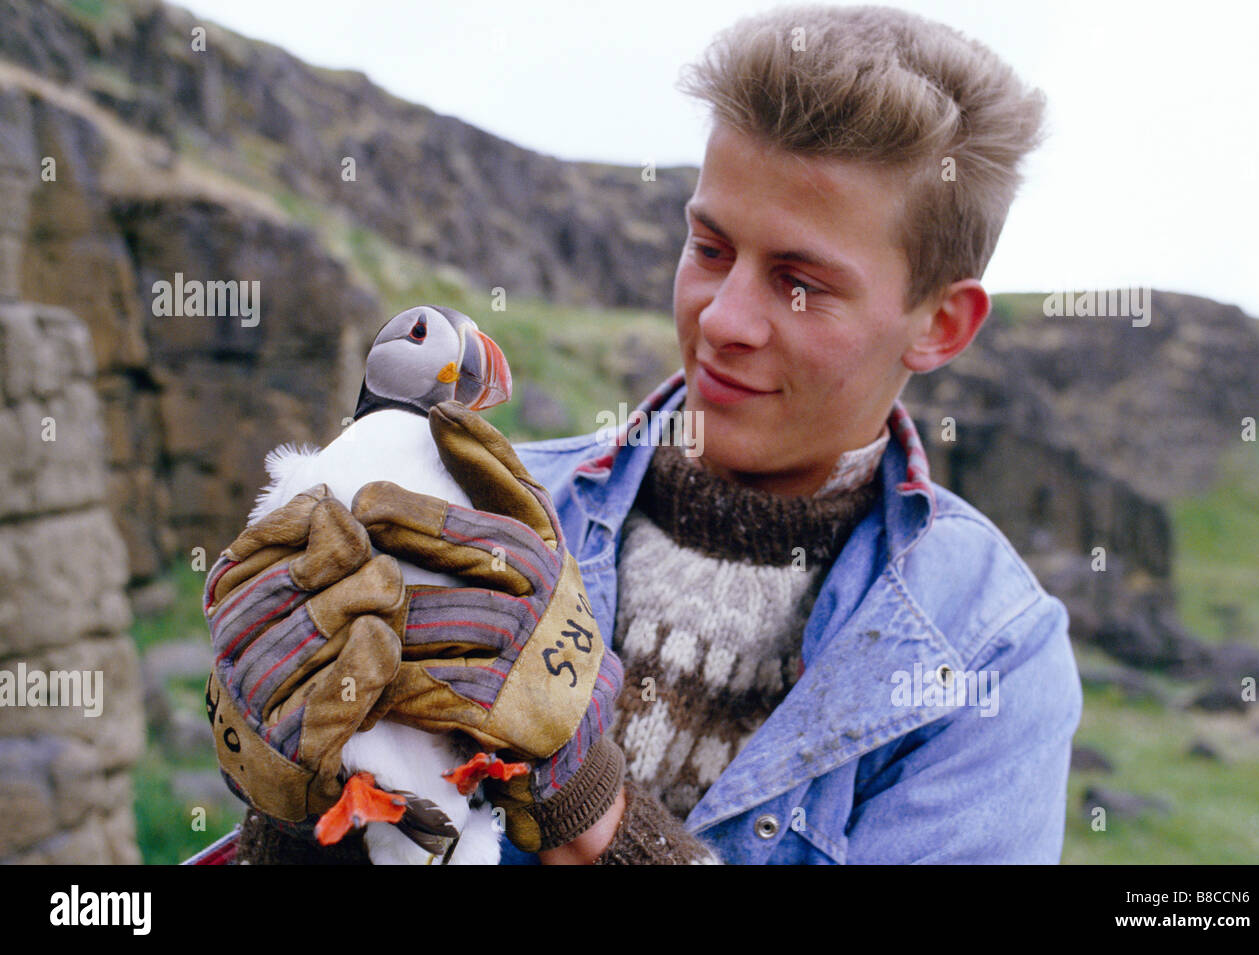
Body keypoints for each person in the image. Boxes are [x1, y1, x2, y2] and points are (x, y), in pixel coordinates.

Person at [207, 3, 1082, 865]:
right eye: (709, 248)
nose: (725, 317)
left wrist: (599, 819)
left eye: (800, 283)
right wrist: (295, 800)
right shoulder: (466, 509)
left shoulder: (992, 655)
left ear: (941, 323)